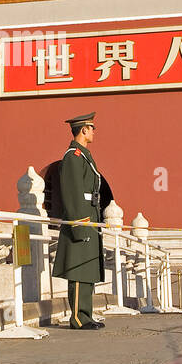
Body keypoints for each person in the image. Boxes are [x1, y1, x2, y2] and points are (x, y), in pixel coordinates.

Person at [51, 112, 106, 330]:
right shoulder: (72, 157)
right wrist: (79, 224)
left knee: (87, 270)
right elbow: (72, 194)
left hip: (90, 217)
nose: (94, 132)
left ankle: (86, 314)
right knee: (78, 270)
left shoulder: (83, 156)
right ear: (84, 130)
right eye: (92, 128)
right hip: (81, 219)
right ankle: (78, 317)